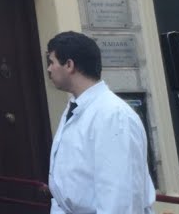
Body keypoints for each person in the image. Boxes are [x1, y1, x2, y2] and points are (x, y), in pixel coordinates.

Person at [45, 31, 155, 213]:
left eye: (52, 62)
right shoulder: (76, 108)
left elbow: (119, 197)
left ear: (69, 65)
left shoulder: (113, 115)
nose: (49, 69)